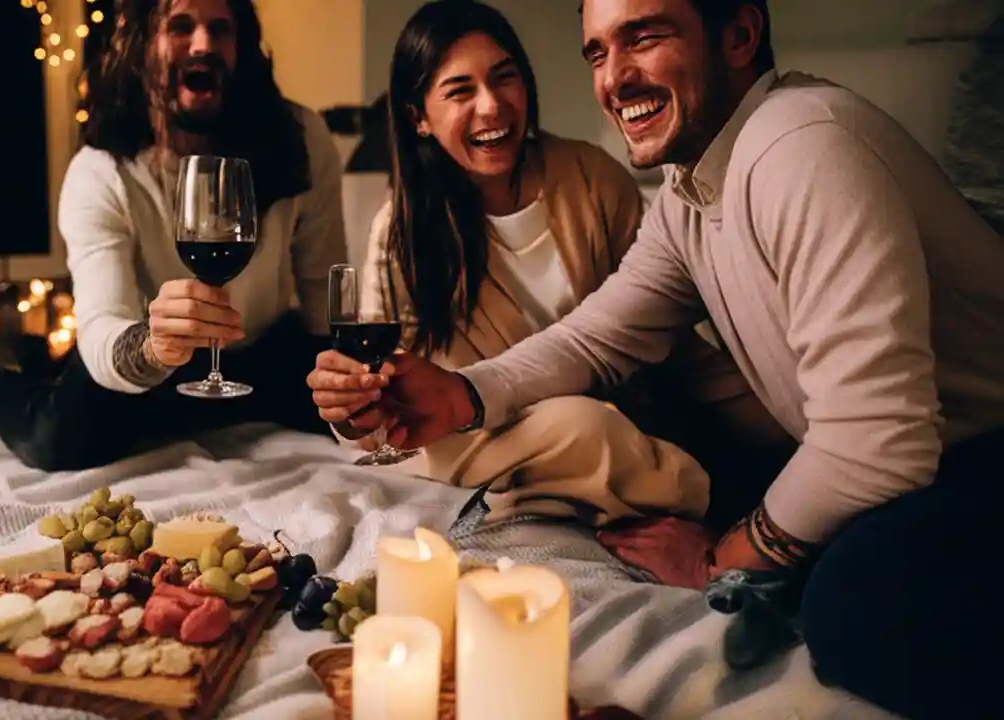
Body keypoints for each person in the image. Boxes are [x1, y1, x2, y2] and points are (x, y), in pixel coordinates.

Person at [323, 0, 1004, 716]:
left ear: (739, 35)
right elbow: (597, 335)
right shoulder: (691, 189)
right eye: (596, 53)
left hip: (976, 452)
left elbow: (878, 443)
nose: (615, 78)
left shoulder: (803, 148)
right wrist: (461, 392)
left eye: (644, 37)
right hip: (916, 461)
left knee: (852, 611)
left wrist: (728, 556)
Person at [307, 0, 787, 527]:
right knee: (577, 425)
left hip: (623, 422)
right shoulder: (398, 233)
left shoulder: (593, 178)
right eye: (460, 91)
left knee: (611, 425)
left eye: (504, 78)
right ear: (419, 118)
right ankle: (671, 491)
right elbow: (388, 404)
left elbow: (663, 327)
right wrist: (351, 412)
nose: (491, 107)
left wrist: (779, 424)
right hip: (485, 434)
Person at [0, 0, 346, 471]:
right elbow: (102, 328)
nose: (204, 44)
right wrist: (155, 348)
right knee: (55, 442)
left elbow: (325, 286)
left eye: (221, 29)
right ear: (140, 48)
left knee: (351, 414)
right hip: (147, 360)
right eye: (180, 27)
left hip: (260, 351)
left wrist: (346, 382)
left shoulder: (298, 136)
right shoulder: (100, 171)